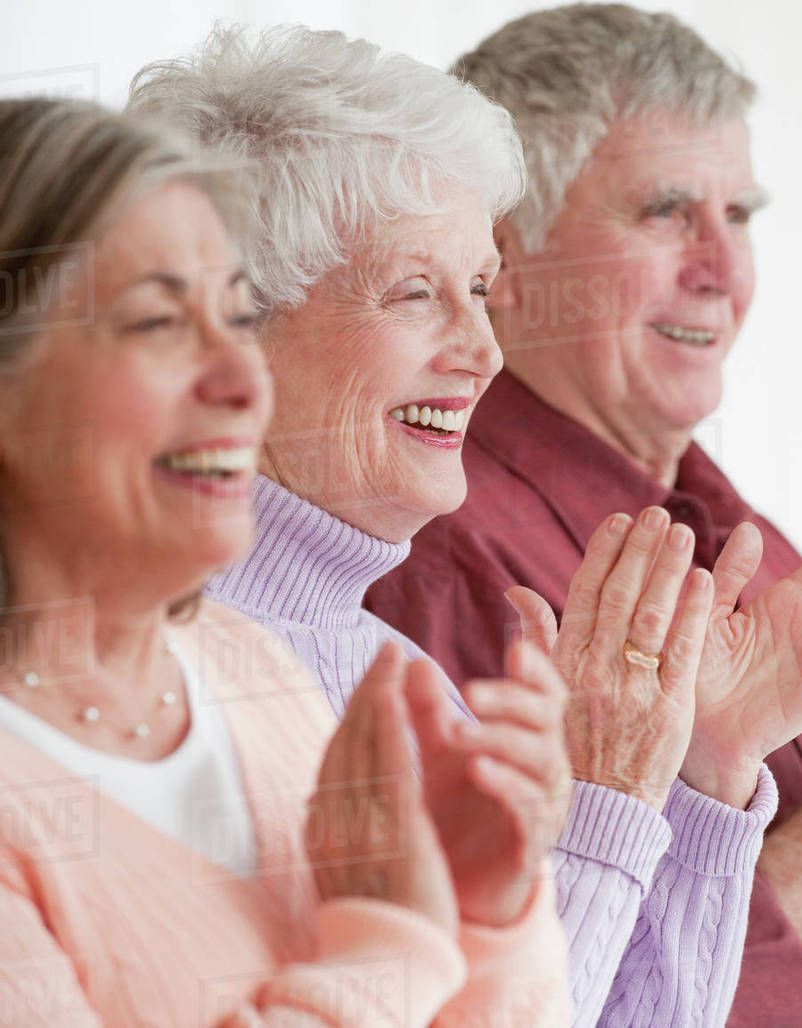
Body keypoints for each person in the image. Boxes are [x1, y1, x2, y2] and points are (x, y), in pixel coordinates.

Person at [130, 24, 802, 1026]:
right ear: (235, 325)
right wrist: (608, 802)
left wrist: (706, 770)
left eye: (477, 289)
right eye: (418, 291)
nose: (482, 351)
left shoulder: (392, 669)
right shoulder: (148, 679)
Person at [366, 5, 802, 1025]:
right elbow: (549, 1003)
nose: (723, 268)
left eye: (740, 214)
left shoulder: (749, 539)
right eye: (665, 211)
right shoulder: (446, 558)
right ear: (505, 255)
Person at [0, 97, 571, 1026]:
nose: (240, 380)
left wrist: (485, 910)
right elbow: (393, 963)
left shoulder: (246, 666)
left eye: (235, 316)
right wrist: (390, 940)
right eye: (157, 324)